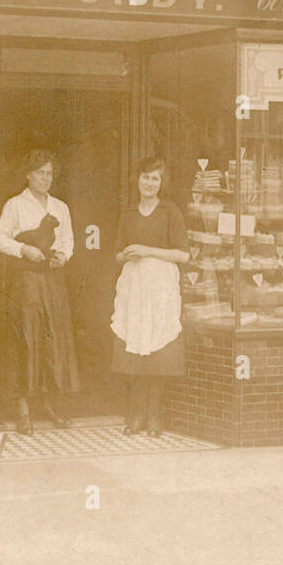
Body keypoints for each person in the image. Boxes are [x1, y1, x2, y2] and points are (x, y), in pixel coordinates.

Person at [0, 150, 80, 435]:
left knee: (51, 343)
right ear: (28, 174)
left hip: (52, 282)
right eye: (40, 172)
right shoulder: (15, 205)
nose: (45, 178)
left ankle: (48, 405)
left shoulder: (60, 207)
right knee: (26, 341)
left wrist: (62, 256)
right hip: (26, 282)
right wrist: (23, 249)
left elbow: (68, 240)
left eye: (49, 173)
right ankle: (23, 410)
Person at [111, 156, 190, 437]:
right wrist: (126, 254)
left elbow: (183, 253)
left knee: (158, 351)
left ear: (161, 183)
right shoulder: (129, 213)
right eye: (145, 177)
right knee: (135, 349)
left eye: (155, 178)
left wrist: (147, 250)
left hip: (161, 288)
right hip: (134, 287)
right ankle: (137, 415)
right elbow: (118, 253)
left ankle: (156, 416)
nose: (149, 182)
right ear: (138, 179)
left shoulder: (171, 211)